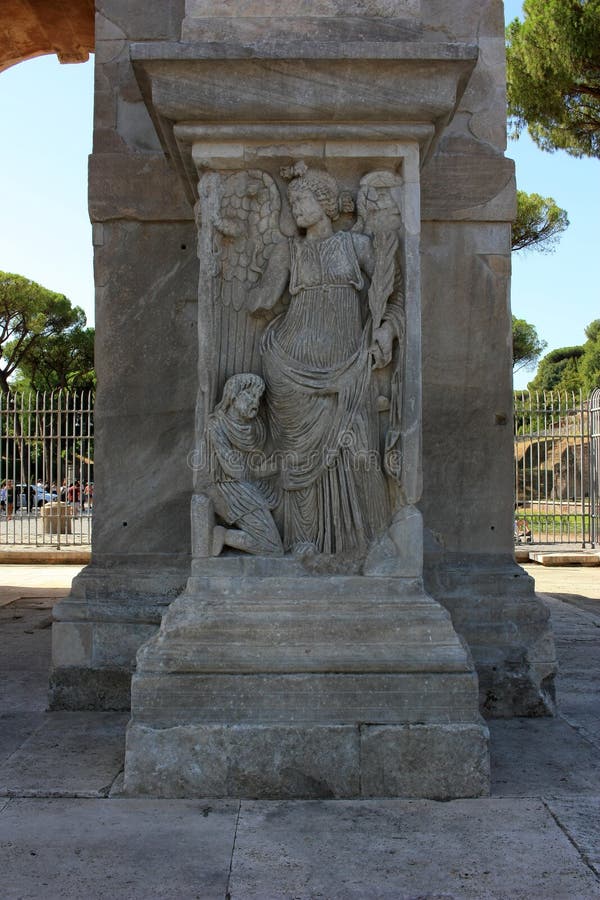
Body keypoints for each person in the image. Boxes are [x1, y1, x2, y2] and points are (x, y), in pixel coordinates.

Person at [248, 164, 399, 555]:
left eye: (302, 199)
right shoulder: (288, 251)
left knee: (358, 449)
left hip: (348, 364)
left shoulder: (356, 245)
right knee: (298, 459)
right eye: (292, 201)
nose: (296, 207)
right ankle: (303, 542)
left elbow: (394, 294)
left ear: (326, 202)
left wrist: (387, 329)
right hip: (291, 366)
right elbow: (260, 300)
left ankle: (368, 543)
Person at [207, 373, 283, 557]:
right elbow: (234, 469)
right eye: (250, 395)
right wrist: (269, 468)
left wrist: (279, 465)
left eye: (258, 397)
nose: (255, 402)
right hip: (231, 487)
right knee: (272, 548)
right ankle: (225, 536)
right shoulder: (216, 425)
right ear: (233, 396)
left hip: (254, 484)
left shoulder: (256, 427)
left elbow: (258, 462)